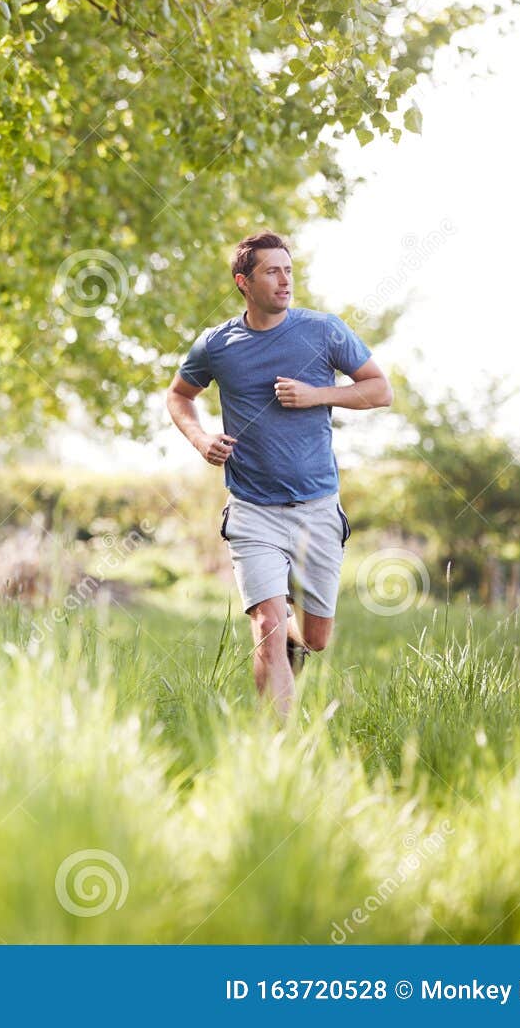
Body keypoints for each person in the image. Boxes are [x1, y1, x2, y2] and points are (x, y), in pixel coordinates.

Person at [165, 231, 393, 716]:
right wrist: (201, 439)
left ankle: (294, 644)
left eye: (288, 270)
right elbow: (179, 395)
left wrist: (318, 395)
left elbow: (380, 390)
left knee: (315, 637)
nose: (285, 280)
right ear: (243, 282)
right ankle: (282, 754)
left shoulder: (324, 331)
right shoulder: (217, 344)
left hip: (317, 509)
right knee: (267, 629)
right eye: (273, 271)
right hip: (252, 511)